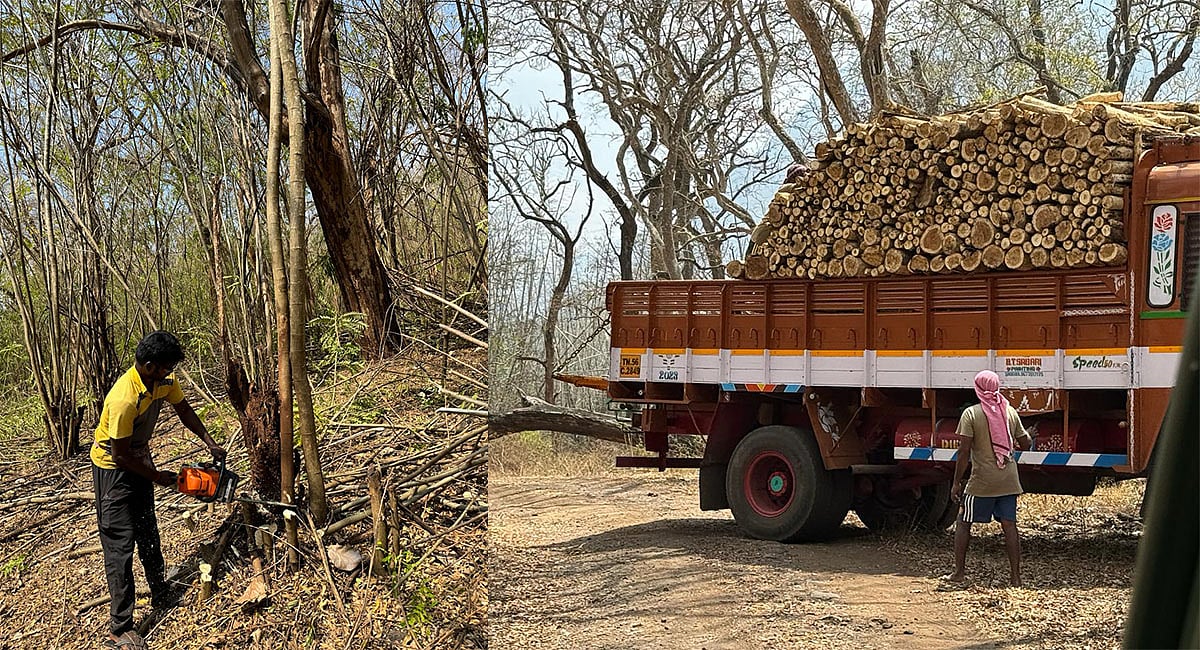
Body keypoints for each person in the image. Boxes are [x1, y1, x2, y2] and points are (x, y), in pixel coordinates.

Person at [91, 331, 226, 646]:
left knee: (148, 530)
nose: (170, 373)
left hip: (138, 457)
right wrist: (156, 476)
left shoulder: (164, 381)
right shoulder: (124, 398)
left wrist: (210, 443)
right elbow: (119, 454)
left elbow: (185, 411)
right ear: (150, 366)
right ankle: (120, 627)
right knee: (119, 545)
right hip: (113, 469)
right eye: (166, 367)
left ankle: (160, 591)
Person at [948, 369, 1033, 587]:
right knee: (1009, 526)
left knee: (964, 521)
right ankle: (1015, 577)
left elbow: (964, 452)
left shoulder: (971, 414)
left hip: (982, 481)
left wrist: (957, 482)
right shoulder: (1009, 412)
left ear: (977, 389)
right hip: (1009, 480)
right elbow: (1026, 443)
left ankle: (959, 573)